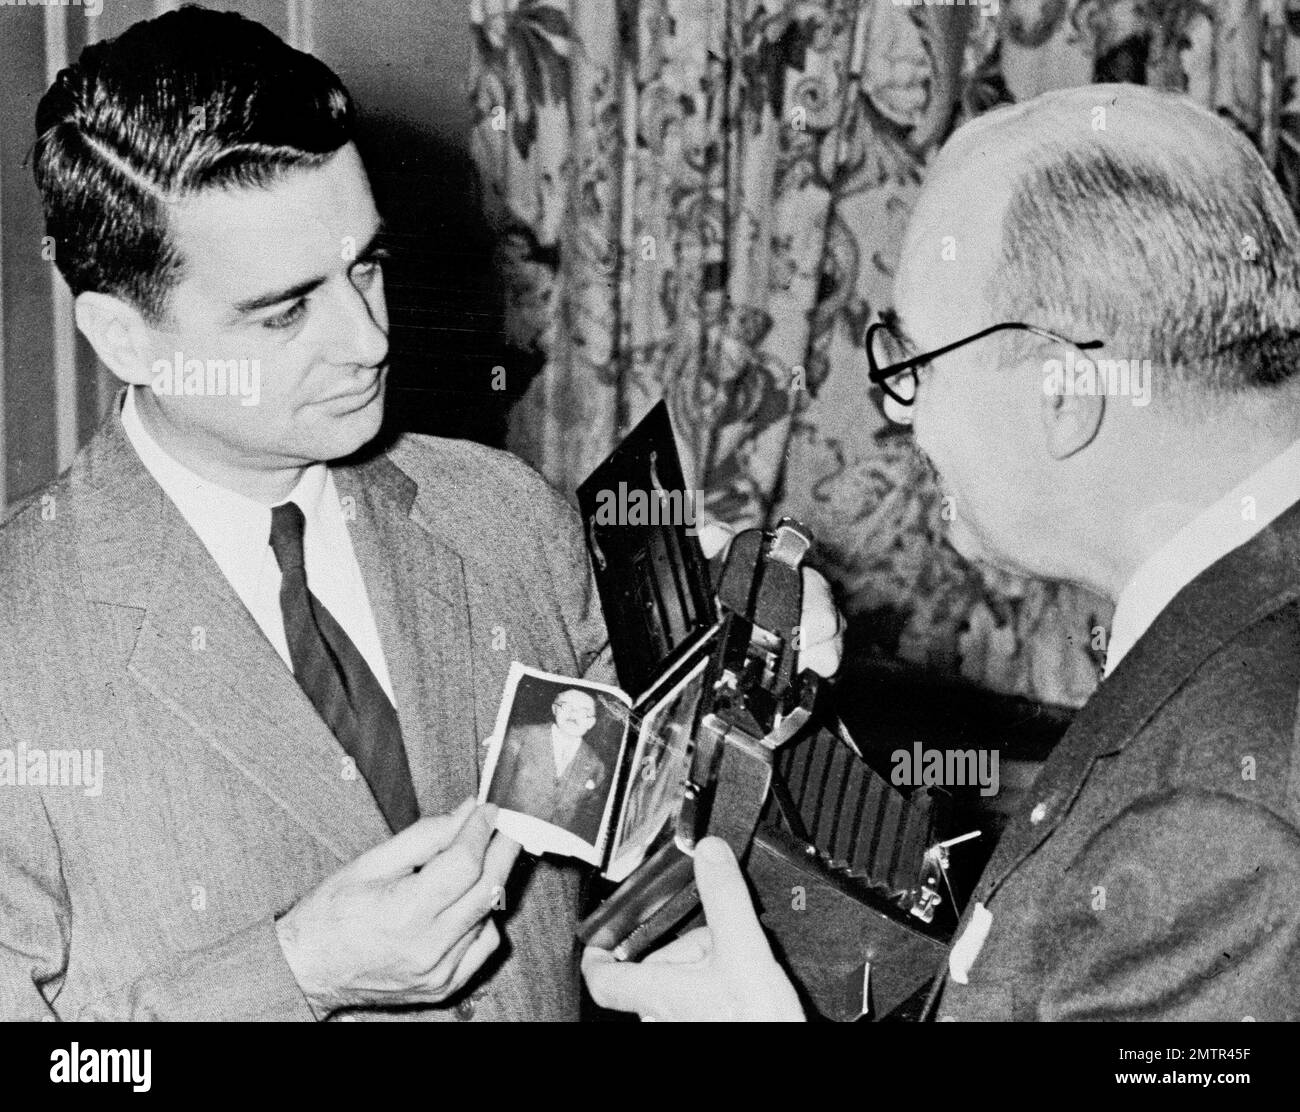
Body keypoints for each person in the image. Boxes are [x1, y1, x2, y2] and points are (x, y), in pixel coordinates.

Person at [0, 7, 841, 1022]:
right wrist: (295, 973)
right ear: (125, 339)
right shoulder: (20, 642)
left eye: (367, 265)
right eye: (286, 310)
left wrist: (759, 650)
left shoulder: (503, 513)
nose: (366, 338)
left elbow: (661, 805)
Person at [584, 83, 1300, 1022]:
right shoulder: (1229, 621)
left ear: (1063, 394)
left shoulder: (1220, 817)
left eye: (914, 364)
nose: (901, 416)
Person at [488, 688, 610, 842]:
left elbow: (587, 816)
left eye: (583, 711)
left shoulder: (595, 764)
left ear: (591, 722)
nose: (574, 714)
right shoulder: (522, 736)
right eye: (567, 706)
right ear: (554, 709)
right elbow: (497, 789)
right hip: (507, 836)